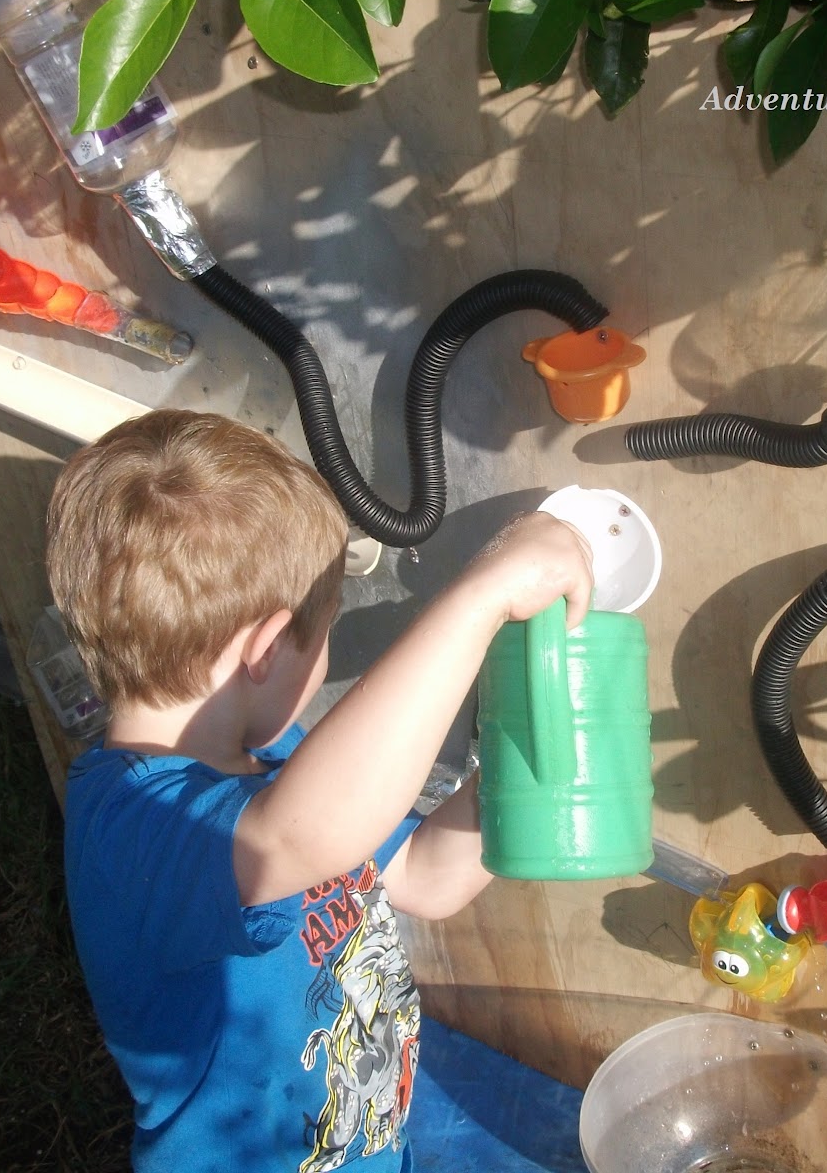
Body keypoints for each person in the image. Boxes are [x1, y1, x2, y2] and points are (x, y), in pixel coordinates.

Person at [44, 409, 593, 1173]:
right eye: (326, 627)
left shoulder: (274, 761)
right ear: (267, 650)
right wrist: (480, 597)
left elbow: (425, 878)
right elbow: (304, 837)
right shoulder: (131, 828)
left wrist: (520, 751)